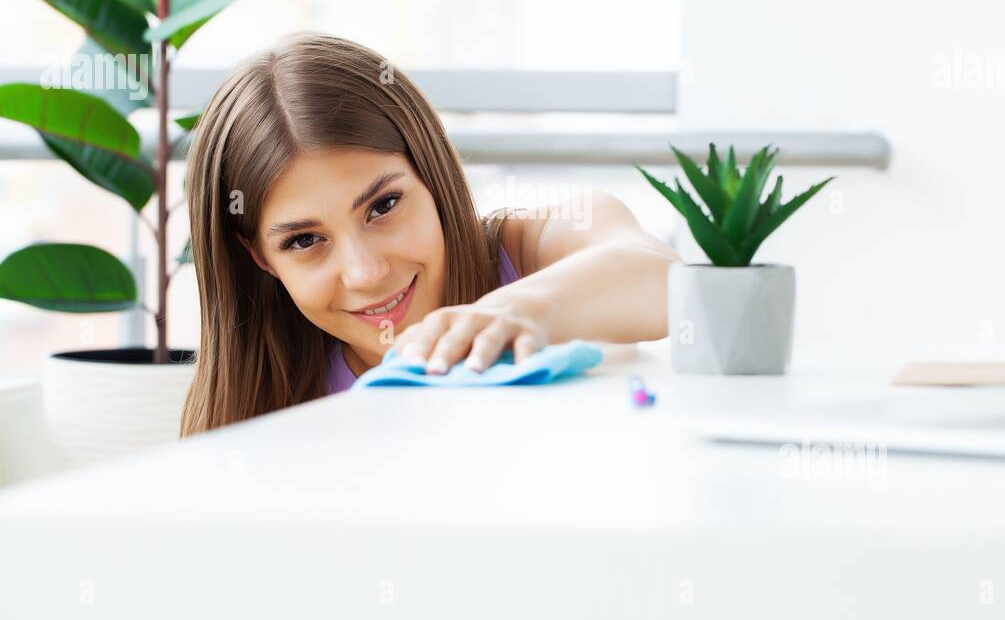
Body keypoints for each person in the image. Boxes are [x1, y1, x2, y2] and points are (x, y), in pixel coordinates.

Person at [180, 32, 679, 435]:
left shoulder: (529, 249)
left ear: (432, 175)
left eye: (384, 206)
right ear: (261, 258)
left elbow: (660, 277)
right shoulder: (277, 404)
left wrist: (508, 315)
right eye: (304, 241)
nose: (366, 272)